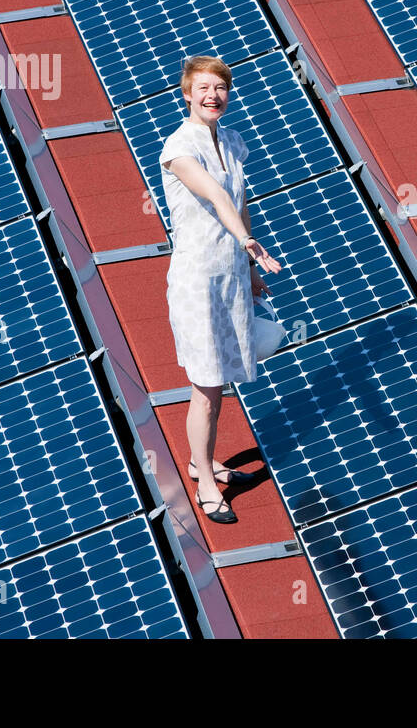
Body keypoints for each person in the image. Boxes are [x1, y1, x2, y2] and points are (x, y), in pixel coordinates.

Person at [159, 55, 282, 522]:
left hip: (230, 274)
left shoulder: (231, 141)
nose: (214, 96)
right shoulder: (178, 146)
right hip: (198, 280)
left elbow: (240, 200)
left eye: (221, 88)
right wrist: (250, 244)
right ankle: (206, 484)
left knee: (220, 383)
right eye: (204, 88)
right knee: (206, 388)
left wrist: (248, 268)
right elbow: (214, 193)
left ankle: (201, 459)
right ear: (187, 94)